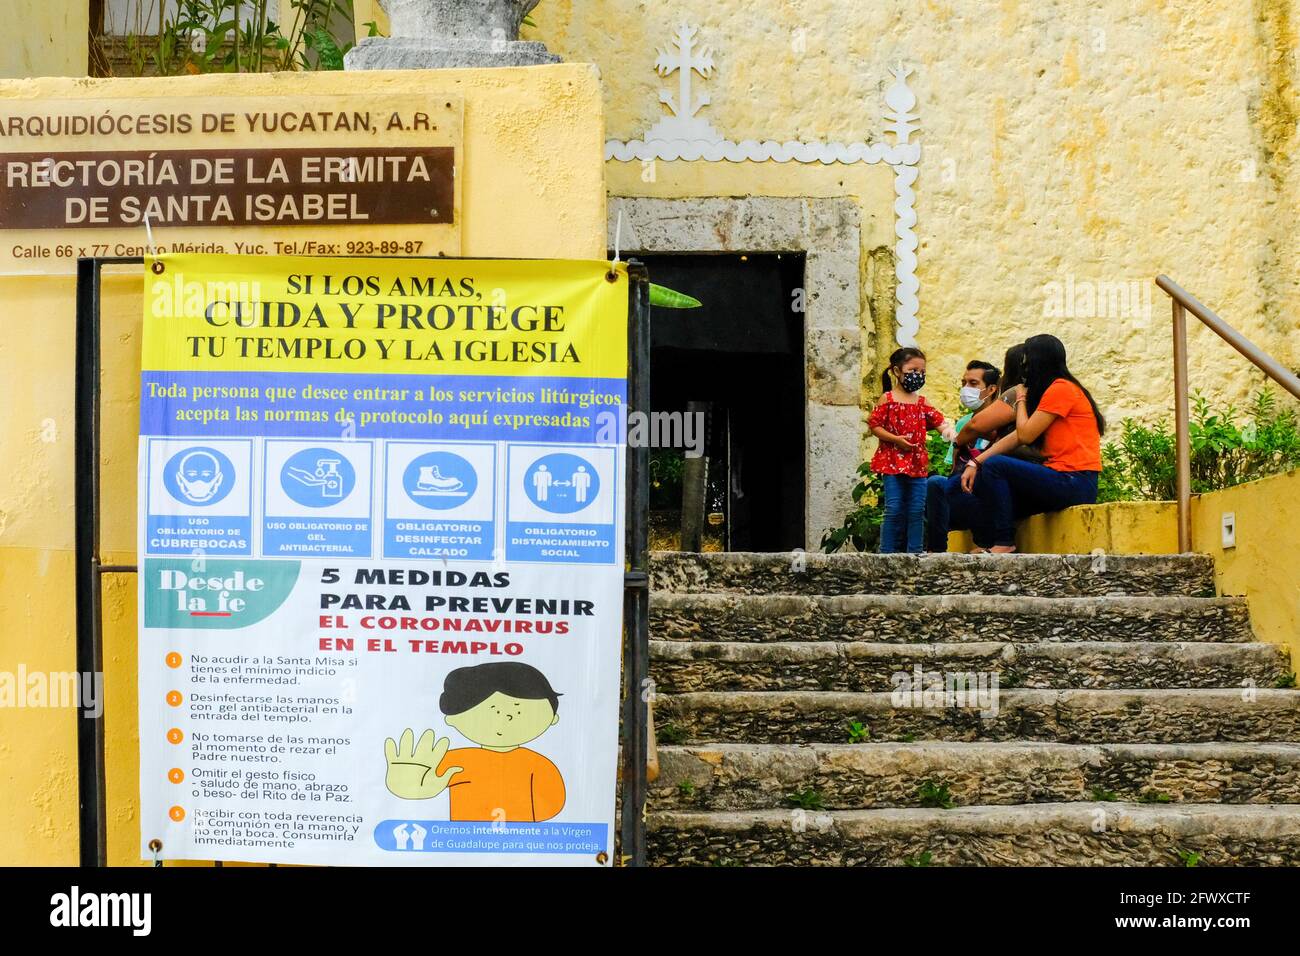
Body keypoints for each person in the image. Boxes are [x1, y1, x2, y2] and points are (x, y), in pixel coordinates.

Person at [960, 334, 1105, 553]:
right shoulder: (1054, 390)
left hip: (1075, 481)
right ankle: (989, 543)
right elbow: (1016, 437)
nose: (1023, 370)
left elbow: (1025, 435)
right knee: (985, 483)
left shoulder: (1061, 389)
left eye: (1026, 363)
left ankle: (1004, 543)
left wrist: (1020, 399)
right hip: (1061, 478)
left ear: (1038, 361)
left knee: (996, 466)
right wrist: (975, 463)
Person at [382, 661, 566, 822]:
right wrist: (406, 785)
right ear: (452, 718)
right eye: (491, 710)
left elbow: (552, 805)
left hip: (518, 846)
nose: (505, 718)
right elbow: (422, 787)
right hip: (465, 842)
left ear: (552, 718)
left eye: (518, 710)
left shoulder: (538, 764)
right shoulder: (454, 760)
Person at [868, 347, 957, 553]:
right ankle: (886, 553)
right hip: (892, 463)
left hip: (917, 464)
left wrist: (951, 434)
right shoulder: (887, 399)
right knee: (894, 508)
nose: (918, 375)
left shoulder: (922, 403)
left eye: (922, 372)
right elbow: (875, 426)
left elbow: (939, 422)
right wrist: (896, 440)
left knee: (917, 509)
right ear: (897, 371)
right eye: (912, 370)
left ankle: (915, 551)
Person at [924, 360, 1000, 551]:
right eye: (964, 383)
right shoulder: (963, 423)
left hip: (988, 490)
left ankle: (985, 543)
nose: (966, 389)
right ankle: (936, 549)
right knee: (934, 484)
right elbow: (953, 469)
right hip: (962, 488)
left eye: (973, 384)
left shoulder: (1001, 419)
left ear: (991, 389)